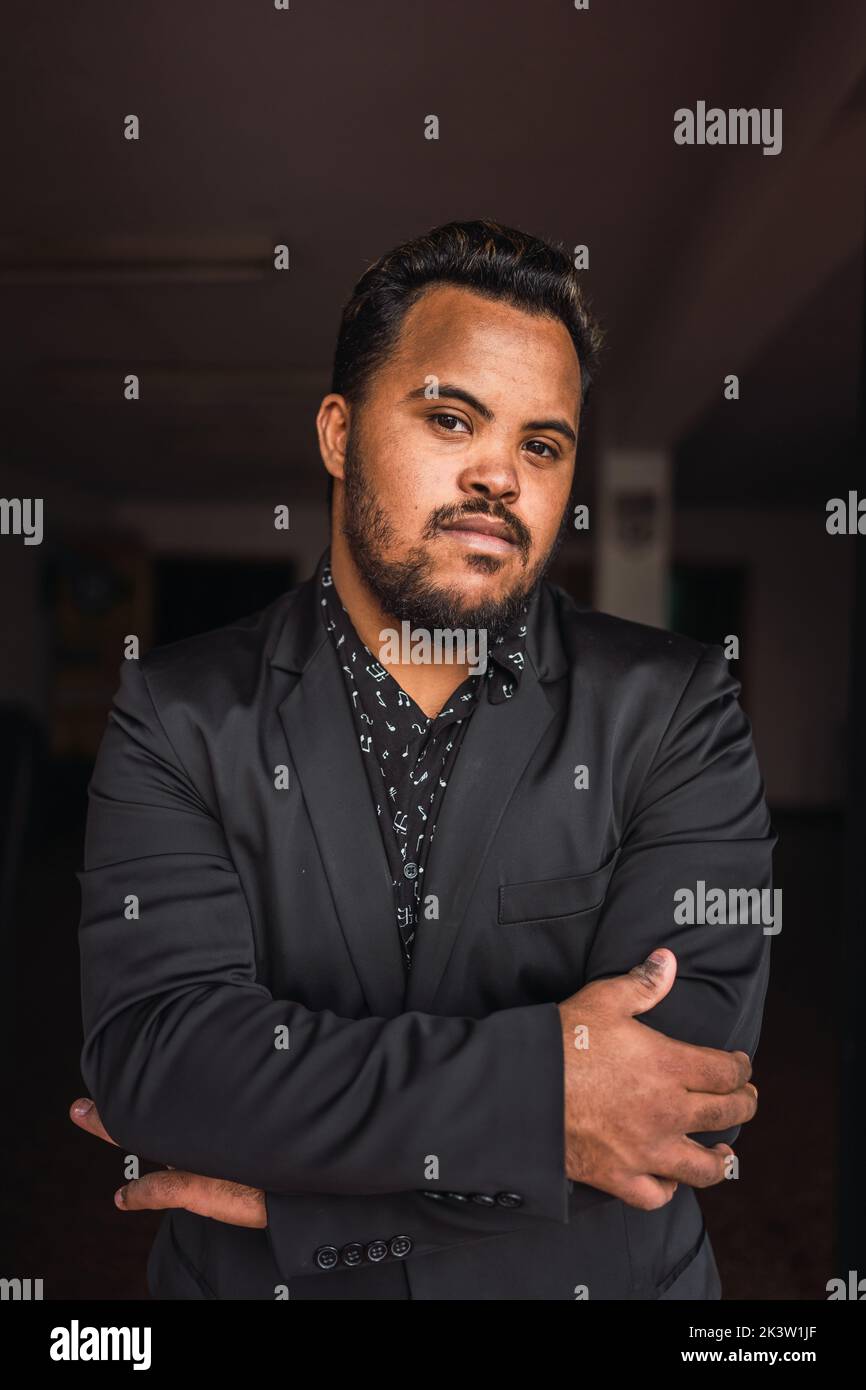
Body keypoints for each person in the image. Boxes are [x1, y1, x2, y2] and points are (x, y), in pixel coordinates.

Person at [73, 218, 770, 1300]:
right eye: (451, 418)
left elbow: (667, 1095)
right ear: (338, 433)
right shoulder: (177, 712)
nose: (499, 475)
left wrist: (308, 1197)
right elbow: (164, 1063)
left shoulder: (676, 706)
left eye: (540, 446)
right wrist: (549, 1101)